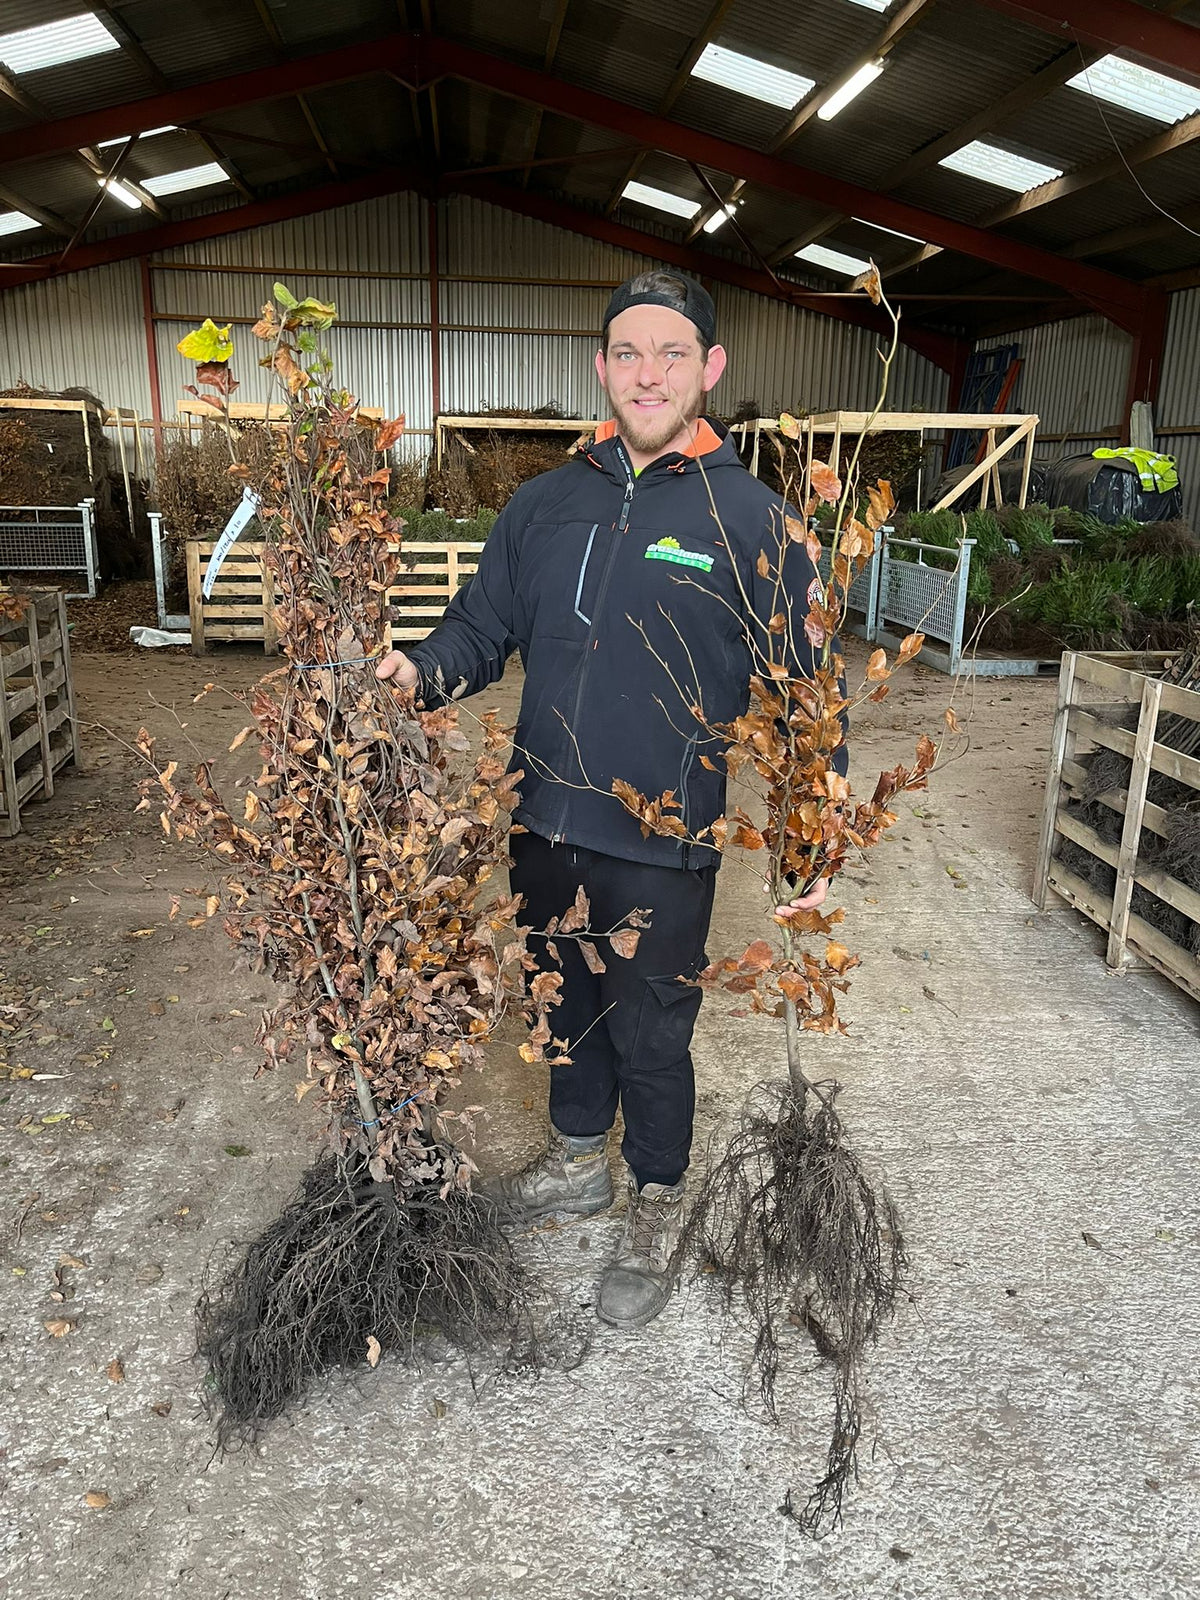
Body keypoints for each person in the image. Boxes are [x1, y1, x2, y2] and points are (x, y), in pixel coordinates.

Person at [376, 271, 840, 1329]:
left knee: (652, 1029)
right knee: (562, 1006)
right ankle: (581, 1158)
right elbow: (480, 628)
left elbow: (809, 702)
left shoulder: (752, 520)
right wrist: (413, 674)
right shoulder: (546, 503)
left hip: (663, 838)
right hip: (545, 817)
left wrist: (810, 854)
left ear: (710, 369)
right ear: (602, 366)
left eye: (671, 353)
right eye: (628, 352)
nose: (648, 373)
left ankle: (659, 1195)